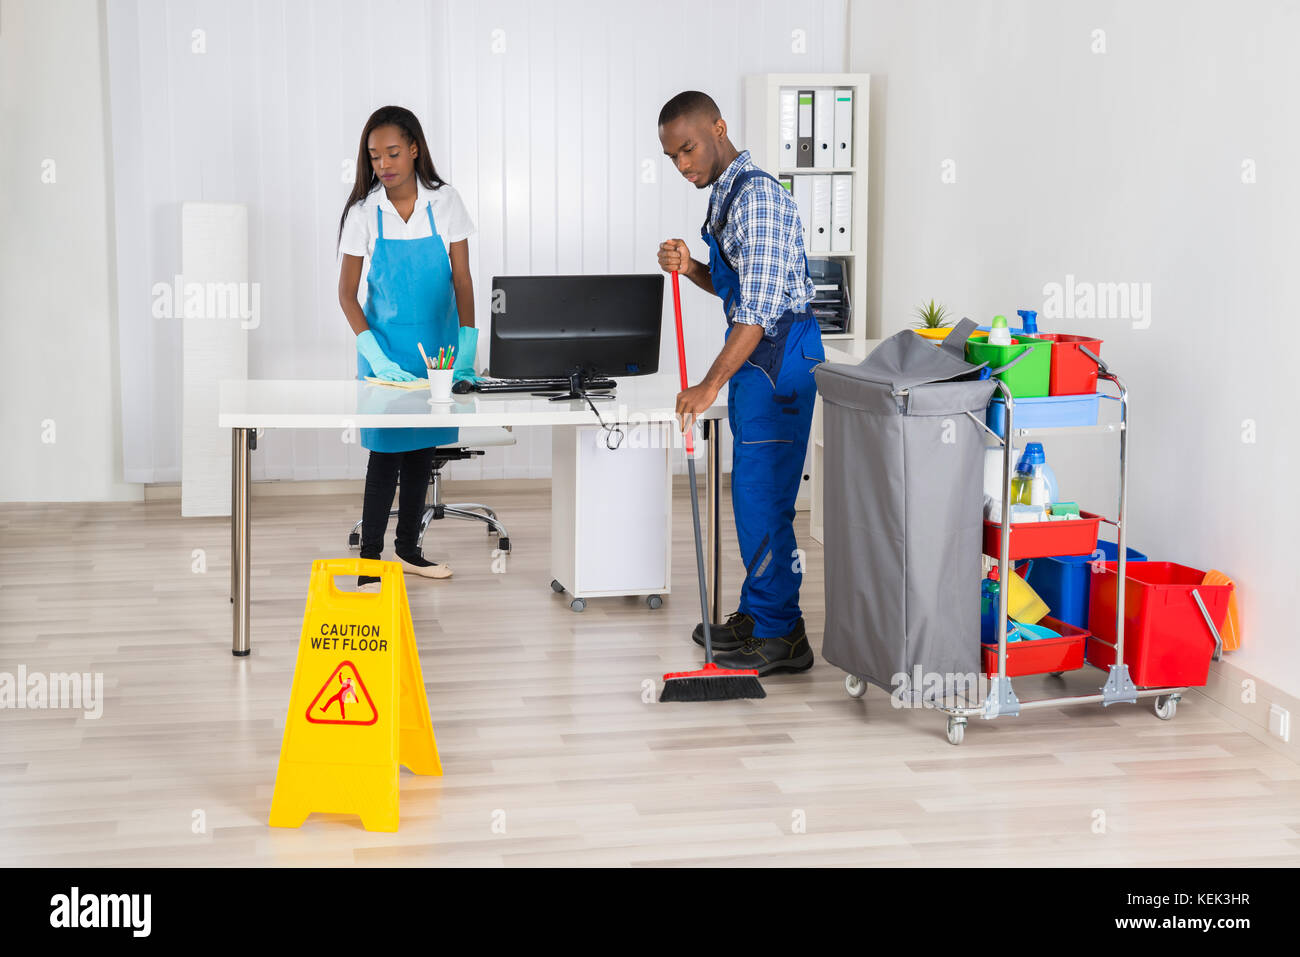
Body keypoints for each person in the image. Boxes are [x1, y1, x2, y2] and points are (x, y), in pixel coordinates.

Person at [657, 90, 824, 676]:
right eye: (672, 156)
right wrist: (692, 268)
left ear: (719, 127)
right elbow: (739, 289)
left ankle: (784, 636)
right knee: (751, 497)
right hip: (759, 359)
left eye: (688, 149)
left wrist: (707, 386)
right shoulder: (727, 196)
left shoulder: (757, 201)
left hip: (778, 359)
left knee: (765, 501)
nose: (683, 165)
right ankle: (760, 614)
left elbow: (753, 314)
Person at [337, 106, 477, 589]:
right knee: (385, 455)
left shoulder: (446, 203)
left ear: (414, 148)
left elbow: (462, 279)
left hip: (438, 350)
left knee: (421, 450)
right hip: (384, 354)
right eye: (375, 157)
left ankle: (410, 550)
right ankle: (371, 563)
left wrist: (469, 347)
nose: (384, 164)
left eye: (393, 152)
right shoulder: (363, 214)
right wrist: (374, 356)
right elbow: (346, 295)